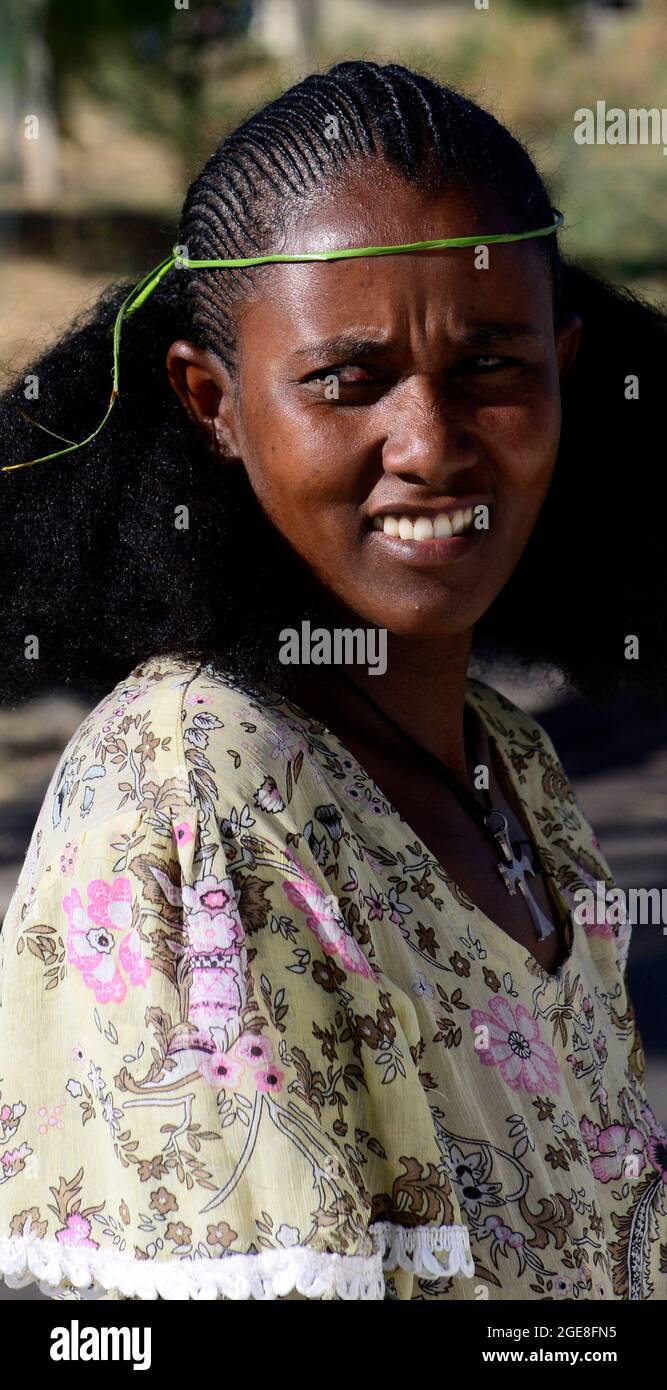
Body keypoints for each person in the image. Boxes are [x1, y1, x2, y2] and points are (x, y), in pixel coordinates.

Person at [0, 60, 665, 1302]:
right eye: (346, 381)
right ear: (214, 404)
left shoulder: (505, 760)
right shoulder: (191, 796)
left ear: (565, 370)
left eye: (491, 366)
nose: (429, 443)